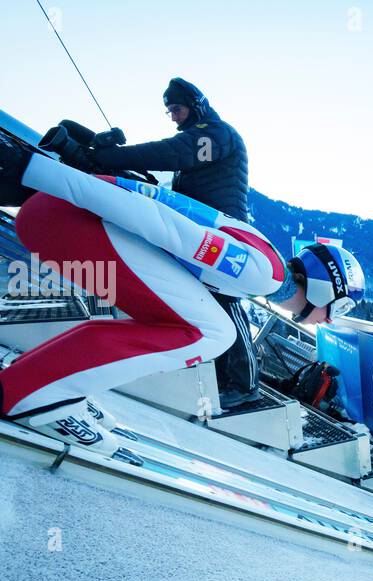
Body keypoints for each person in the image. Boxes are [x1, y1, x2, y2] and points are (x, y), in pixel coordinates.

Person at [0, 109, 363, 457]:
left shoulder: (263, 253)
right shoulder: (261, 273)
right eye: (336, 311)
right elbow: (160, 224)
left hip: (64, 214)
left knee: (188, 322)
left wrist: (41, 183)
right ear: (326, 290)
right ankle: (26, 394)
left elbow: (160, 207)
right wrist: (32, 171)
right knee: (213, 333)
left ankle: (48, 383)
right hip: (69, 221)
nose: (325, 320)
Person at [83, 78, 259, 409]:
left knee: (224, 298)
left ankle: (245, 384)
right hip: (200, 230)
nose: (173, 117)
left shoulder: (214, 134)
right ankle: (219, 373)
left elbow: (174, 153)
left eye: (176, 109)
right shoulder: (201, 137)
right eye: (169, 112)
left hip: (222, 233)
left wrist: (115, 157)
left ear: (196, 106)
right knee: (206, 299)